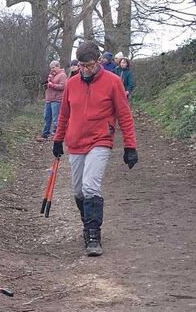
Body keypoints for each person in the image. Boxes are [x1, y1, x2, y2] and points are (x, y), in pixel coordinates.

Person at [53, 40, 138, 256]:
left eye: (89, 65)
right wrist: (58, 139)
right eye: (81, 66)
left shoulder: (113, 82)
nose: (84, 70)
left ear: (98, 61)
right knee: (78, 190)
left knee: (90, 186)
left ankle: (93, 235)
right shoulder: (72, 83)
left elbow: (125, 115)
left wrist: (130, 146)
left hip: (100, 140)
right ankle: (87, 224)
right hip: (75, 142)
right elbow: (64, 114)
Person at [37, 60, 66, 141]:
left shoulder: (62, 75)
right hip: (49, 99)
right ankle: (46, 133)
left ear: (58, 67)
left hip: (57, 100)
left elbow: (63, 87)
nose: (52, 69)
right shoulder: (51, 75)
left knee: (56, 119)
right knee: (47, 117)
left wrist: (52, 85)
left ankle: (56, 135)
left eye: (53, 68)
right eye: (51, 68)